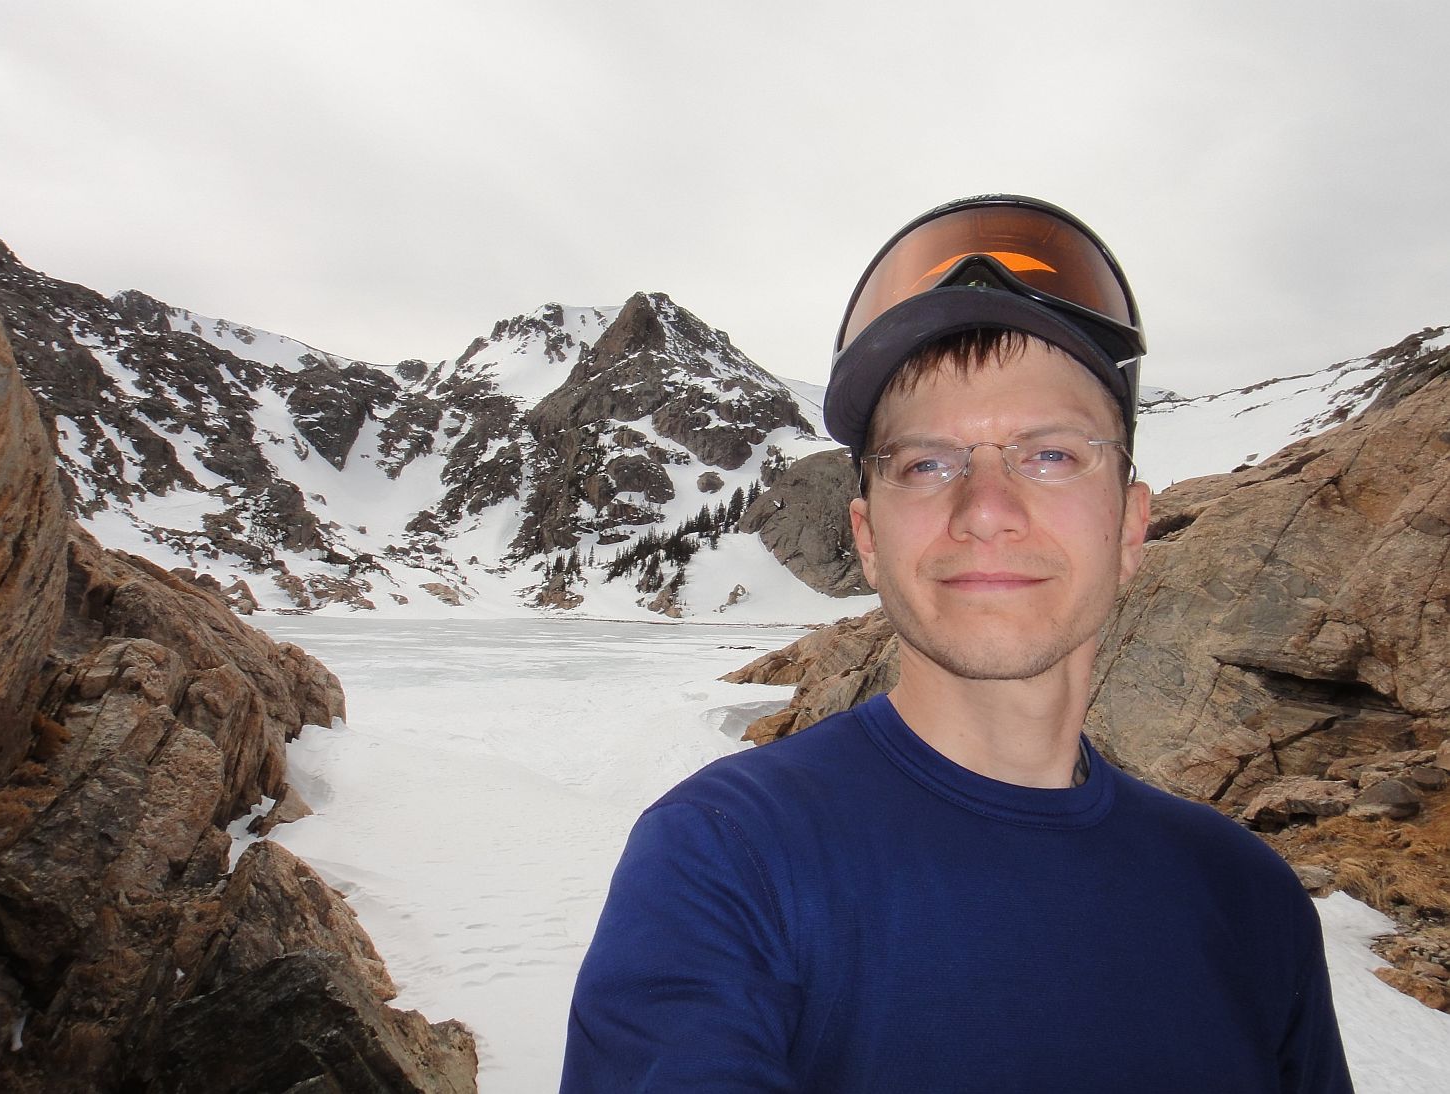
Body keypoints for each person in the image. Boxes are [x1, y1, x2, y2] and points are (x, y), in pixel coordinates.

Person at [560, 195, 1353, 1092]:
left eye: (1050, 455)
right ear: (866, 533)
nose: (984, 511)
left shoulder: (1247, 898)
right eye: (925, 464)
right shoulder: (724, 858)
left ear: (1131, 524)